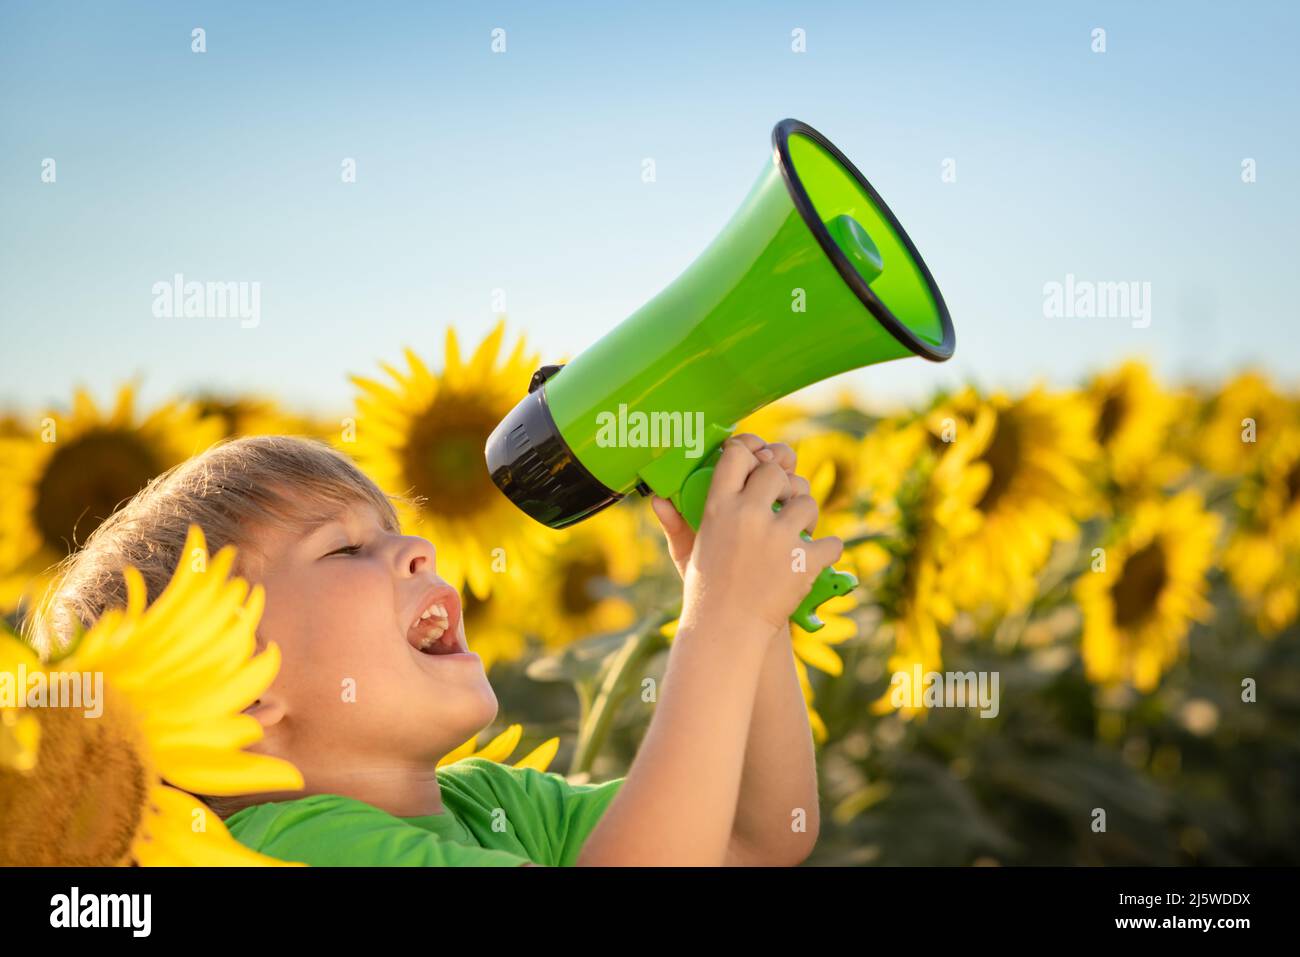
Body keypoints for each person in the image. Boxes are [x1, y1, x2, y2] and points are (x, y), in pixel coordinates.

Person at [26, 431, 840, 865]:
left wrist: (751, 614)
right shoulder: (289, 852)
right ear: (238, 690)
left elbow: (751, 836)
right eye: (344, 549)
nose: (417, 547)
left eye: (396, 527)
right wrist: (721, 620)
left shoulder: (493, 804)